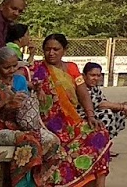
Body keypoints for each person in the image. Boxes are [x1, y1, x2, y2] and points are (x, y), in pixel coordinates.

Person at [0, 45, 62, 187]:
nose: (12, 70)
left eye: (15, 66)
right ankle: (22, 184)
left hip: (19, 124)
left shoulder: (19, 80)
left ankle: (39, 182)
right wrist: (5, 103)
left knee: (52, 140)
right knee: (29, 141)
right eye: (7, 67)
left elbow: (23, 108)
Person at [29, 34, 110, 187]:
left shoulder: (72, 68)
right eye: (47, 49)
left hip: (71, 120)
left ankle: (98, 183)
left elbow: (82, 92)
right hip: (48, 124)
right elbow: (19, 75)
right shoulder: (37, 68)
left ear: (64, 50)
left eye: (56, 49)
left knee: (100, 133)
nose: (51, 53)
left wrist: (90, 115)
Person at [80, 64, 127, 139]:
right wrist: (122, 106)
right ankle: (100, 138)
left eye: (98, 75)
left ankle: (106, 138)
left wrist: (120, 108)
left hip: (94, 112)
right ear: (84, 76)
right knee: (107, 114)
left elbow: (104, 100)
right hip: (82, 114)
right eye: (92, 75)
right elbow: (100, 104)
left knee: (119, 113)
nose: (95, 78)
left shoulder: (95, 88)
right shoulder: (82, 88)